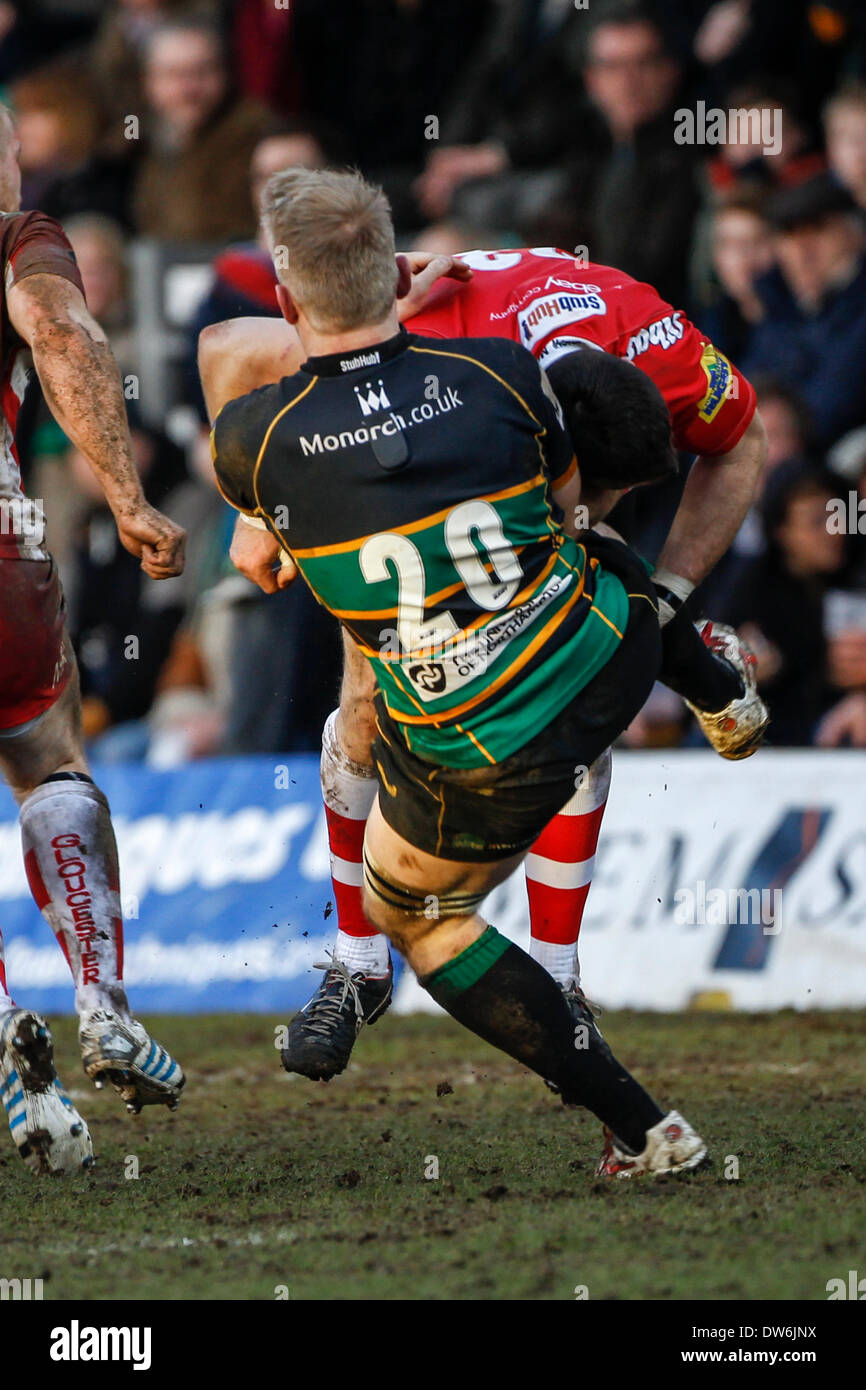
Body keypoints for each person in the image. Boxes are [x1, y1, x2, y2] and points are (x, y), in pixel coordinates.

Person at [209, 166, 711, 1178]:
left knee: (421, 911)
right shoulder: (497, 370)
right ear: (400, 274)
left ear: (285, 292)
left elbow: (254, 563)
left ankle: (641, 1122)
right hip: (612, 649)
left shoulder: (253, 438)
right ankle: (717, 687)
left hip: (471, 721)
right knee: (584, 583)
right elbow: (573, 514)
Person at [0, 105, 186, 1175]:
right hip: (4, 550)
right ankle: (103, 1001)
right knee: (48, 767)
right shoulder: (19, 236)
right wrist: (123, 493)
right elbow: (65, 334)